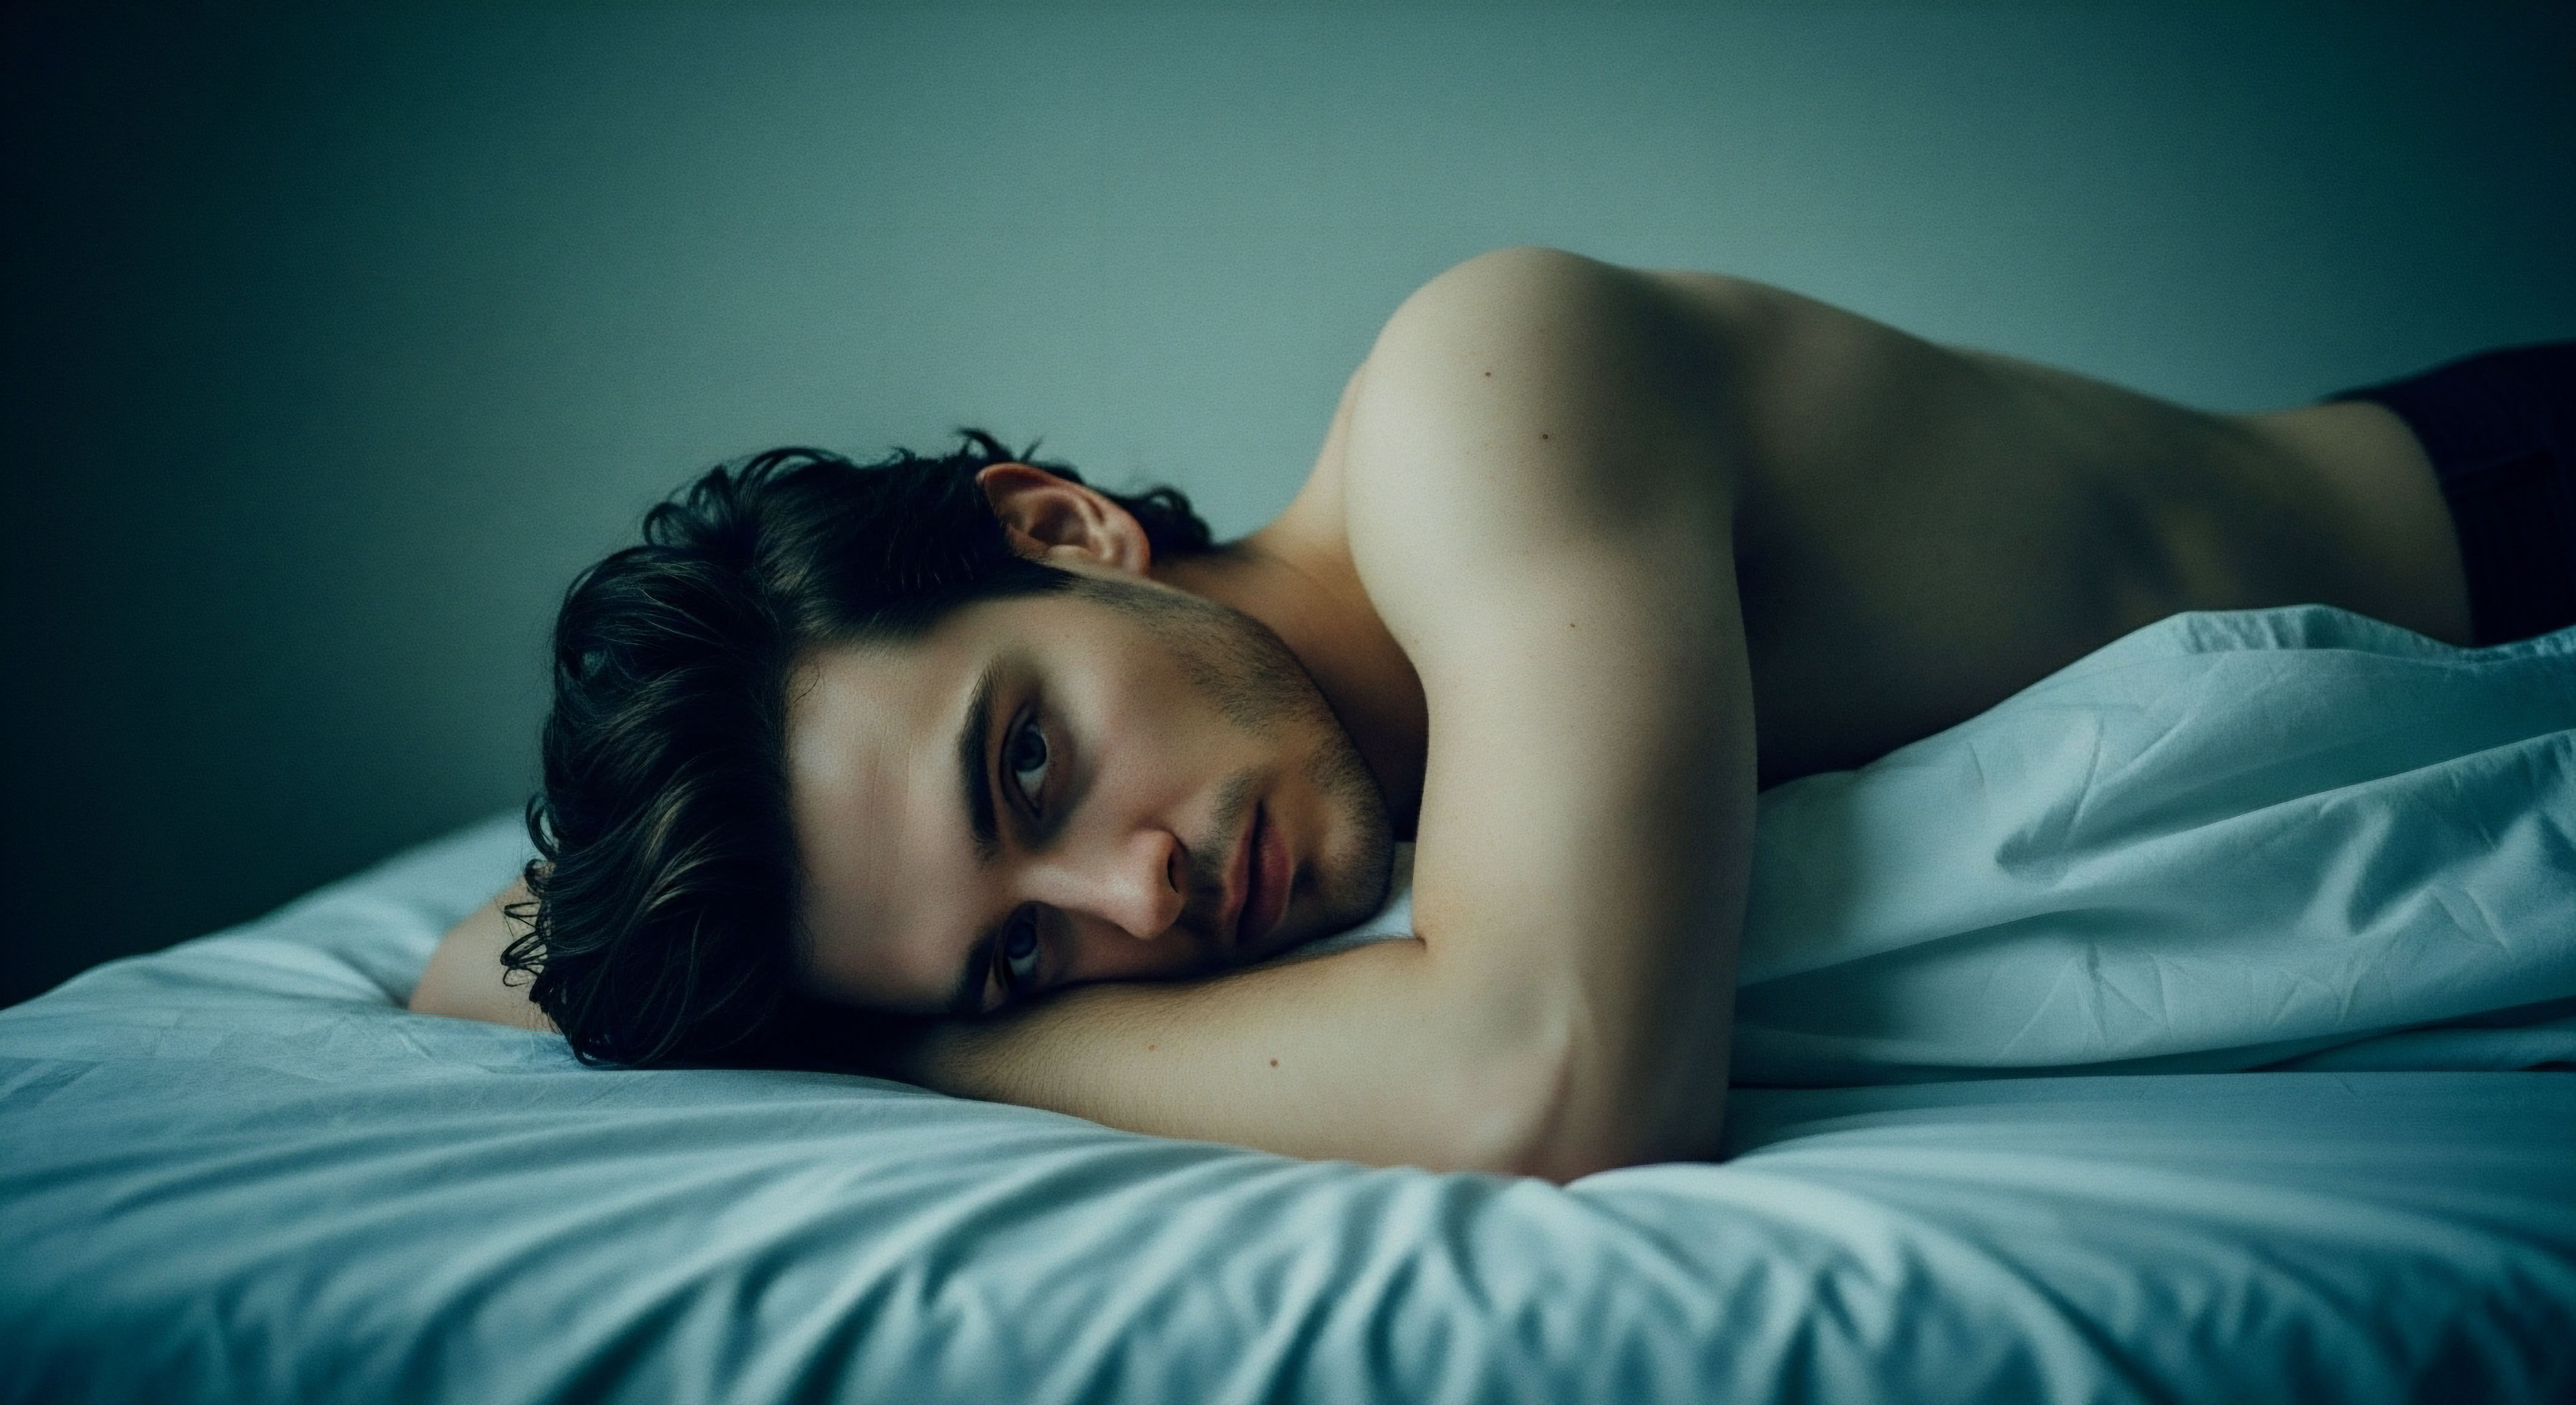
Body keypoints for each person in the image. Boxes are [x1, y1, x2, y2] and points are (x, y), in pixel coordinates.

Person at [412, 246, 2569, 1181]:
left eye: (1029, 762)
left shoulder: (1480, 385)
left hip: (2511, 521)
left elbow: (1561, 1087)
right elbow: (470, 961)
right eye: (1019, 950)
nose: (1134, 900)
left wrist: (921, 1034)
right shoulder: (1301, 824)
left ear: (1062, 531)